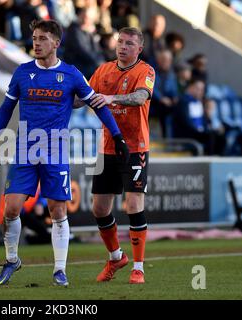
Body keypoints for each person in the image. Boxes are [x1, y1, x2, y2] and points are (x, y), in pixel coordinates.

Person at [0, 19, 129, 287]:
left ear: (56, 43)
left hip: (55, 150)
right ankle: (12, 260)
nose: (36, 43)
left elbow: (97, 105)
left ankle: (59, 270)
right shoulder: (22, 73)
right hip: (25, 150)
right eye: (34, 38)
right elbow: (5, 109)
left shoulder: (72, 74)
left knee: (57, 210)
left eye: (42, 39)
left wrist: (117, 136)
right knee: (12, 208)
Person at [86, 27, 156, 284]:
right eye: (120, 42)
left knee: (133, 205)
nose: (123, 46)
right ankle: (116, 257)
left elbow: (139, 98)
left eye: (129, 43)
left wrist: (110, 98)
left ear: (139, 49)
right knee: (99, 208)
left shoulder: (145, 71)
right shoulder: (103, 70)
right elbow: (80, 99)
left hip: (136, 147)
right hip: (107, 147)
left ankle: (138, 268)